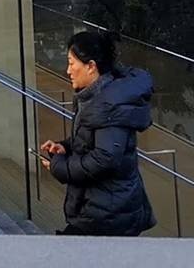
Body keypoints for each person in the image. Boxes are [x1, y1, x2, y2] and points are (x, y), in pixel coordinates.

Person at [38, 29, 156, 237]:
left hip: (107, 214)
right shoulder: (97, 97)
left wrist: (60, 167)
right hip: (101, 208)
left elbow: (105, 158)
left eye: (72, 63)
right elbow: (93, 140)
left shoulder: (108, 103)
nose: (68, 70)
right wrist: (65, 147)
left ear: (91, 66)